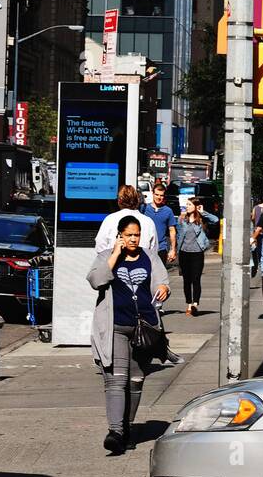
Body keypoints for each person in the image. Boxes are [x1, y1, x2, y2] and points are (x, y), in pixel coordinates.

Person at [87, 215, 170, 454]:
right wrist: (114, 254)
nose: (133, 239)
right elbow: (96, 280)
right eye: (128, 235)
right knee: (116, 379)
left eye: (136, 235)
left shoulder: (149, 256)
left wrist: (163, 288)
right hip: (116, 327)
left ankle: (129, 427)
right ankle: (116, 432)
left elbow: (161, 281)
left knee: (135, 381)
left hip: (144, 328)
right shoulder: (105, 257)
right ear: (120, 236)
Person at [176, 200, 215, 316]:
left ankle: (195, 304)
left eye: (189, 204)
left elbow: (216, 220)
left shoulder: (202, 219)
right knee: (186, 280)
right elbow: (177, 232)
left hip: (197, 254)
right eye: (187, 204)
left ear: (196, 206)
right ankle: (189, 304)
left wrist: (204, 212)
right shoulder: (182, 219)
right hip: (184, 253)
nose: (187, 207)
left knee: (196, 279)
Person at [94, 185, 157, 254]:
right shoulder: (149, 222)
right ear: (137, 200)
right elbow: (153, 250)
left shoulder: (110, 219)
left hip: (115, 263)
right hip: (142, 264)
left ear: (119, 200)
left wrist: (110, 258)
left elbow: (100, 245)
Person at [140, 182, 178, 268]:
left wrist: (173, 249)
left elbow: (172, 231)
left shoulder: (168, 211)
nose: (159, 197)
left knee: (160, 277)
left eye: (161, 195)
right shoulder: (144, 208)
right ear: (152, 194)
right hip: (145, 247)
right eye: (157, 194)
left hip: (161, 248)